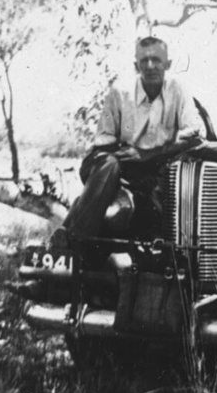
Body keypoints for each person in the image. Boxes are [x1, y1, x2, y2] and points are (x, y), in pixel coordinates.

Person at [50, 36, 204, 249]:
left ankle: (69, 237)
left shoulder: (179, 90)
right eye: (144, 60)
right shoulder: (120, 92)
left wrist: (147, 155)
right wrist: (129, 158)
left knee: (163, 197)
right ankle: (73, 244)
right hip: (113, 164)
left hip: (154, 167)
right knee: (109, 165)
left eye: (157, 60)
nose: (150, 66)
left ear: (167, 64)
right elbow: (104, 145)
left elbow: (196, 137)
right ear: (136, 65)